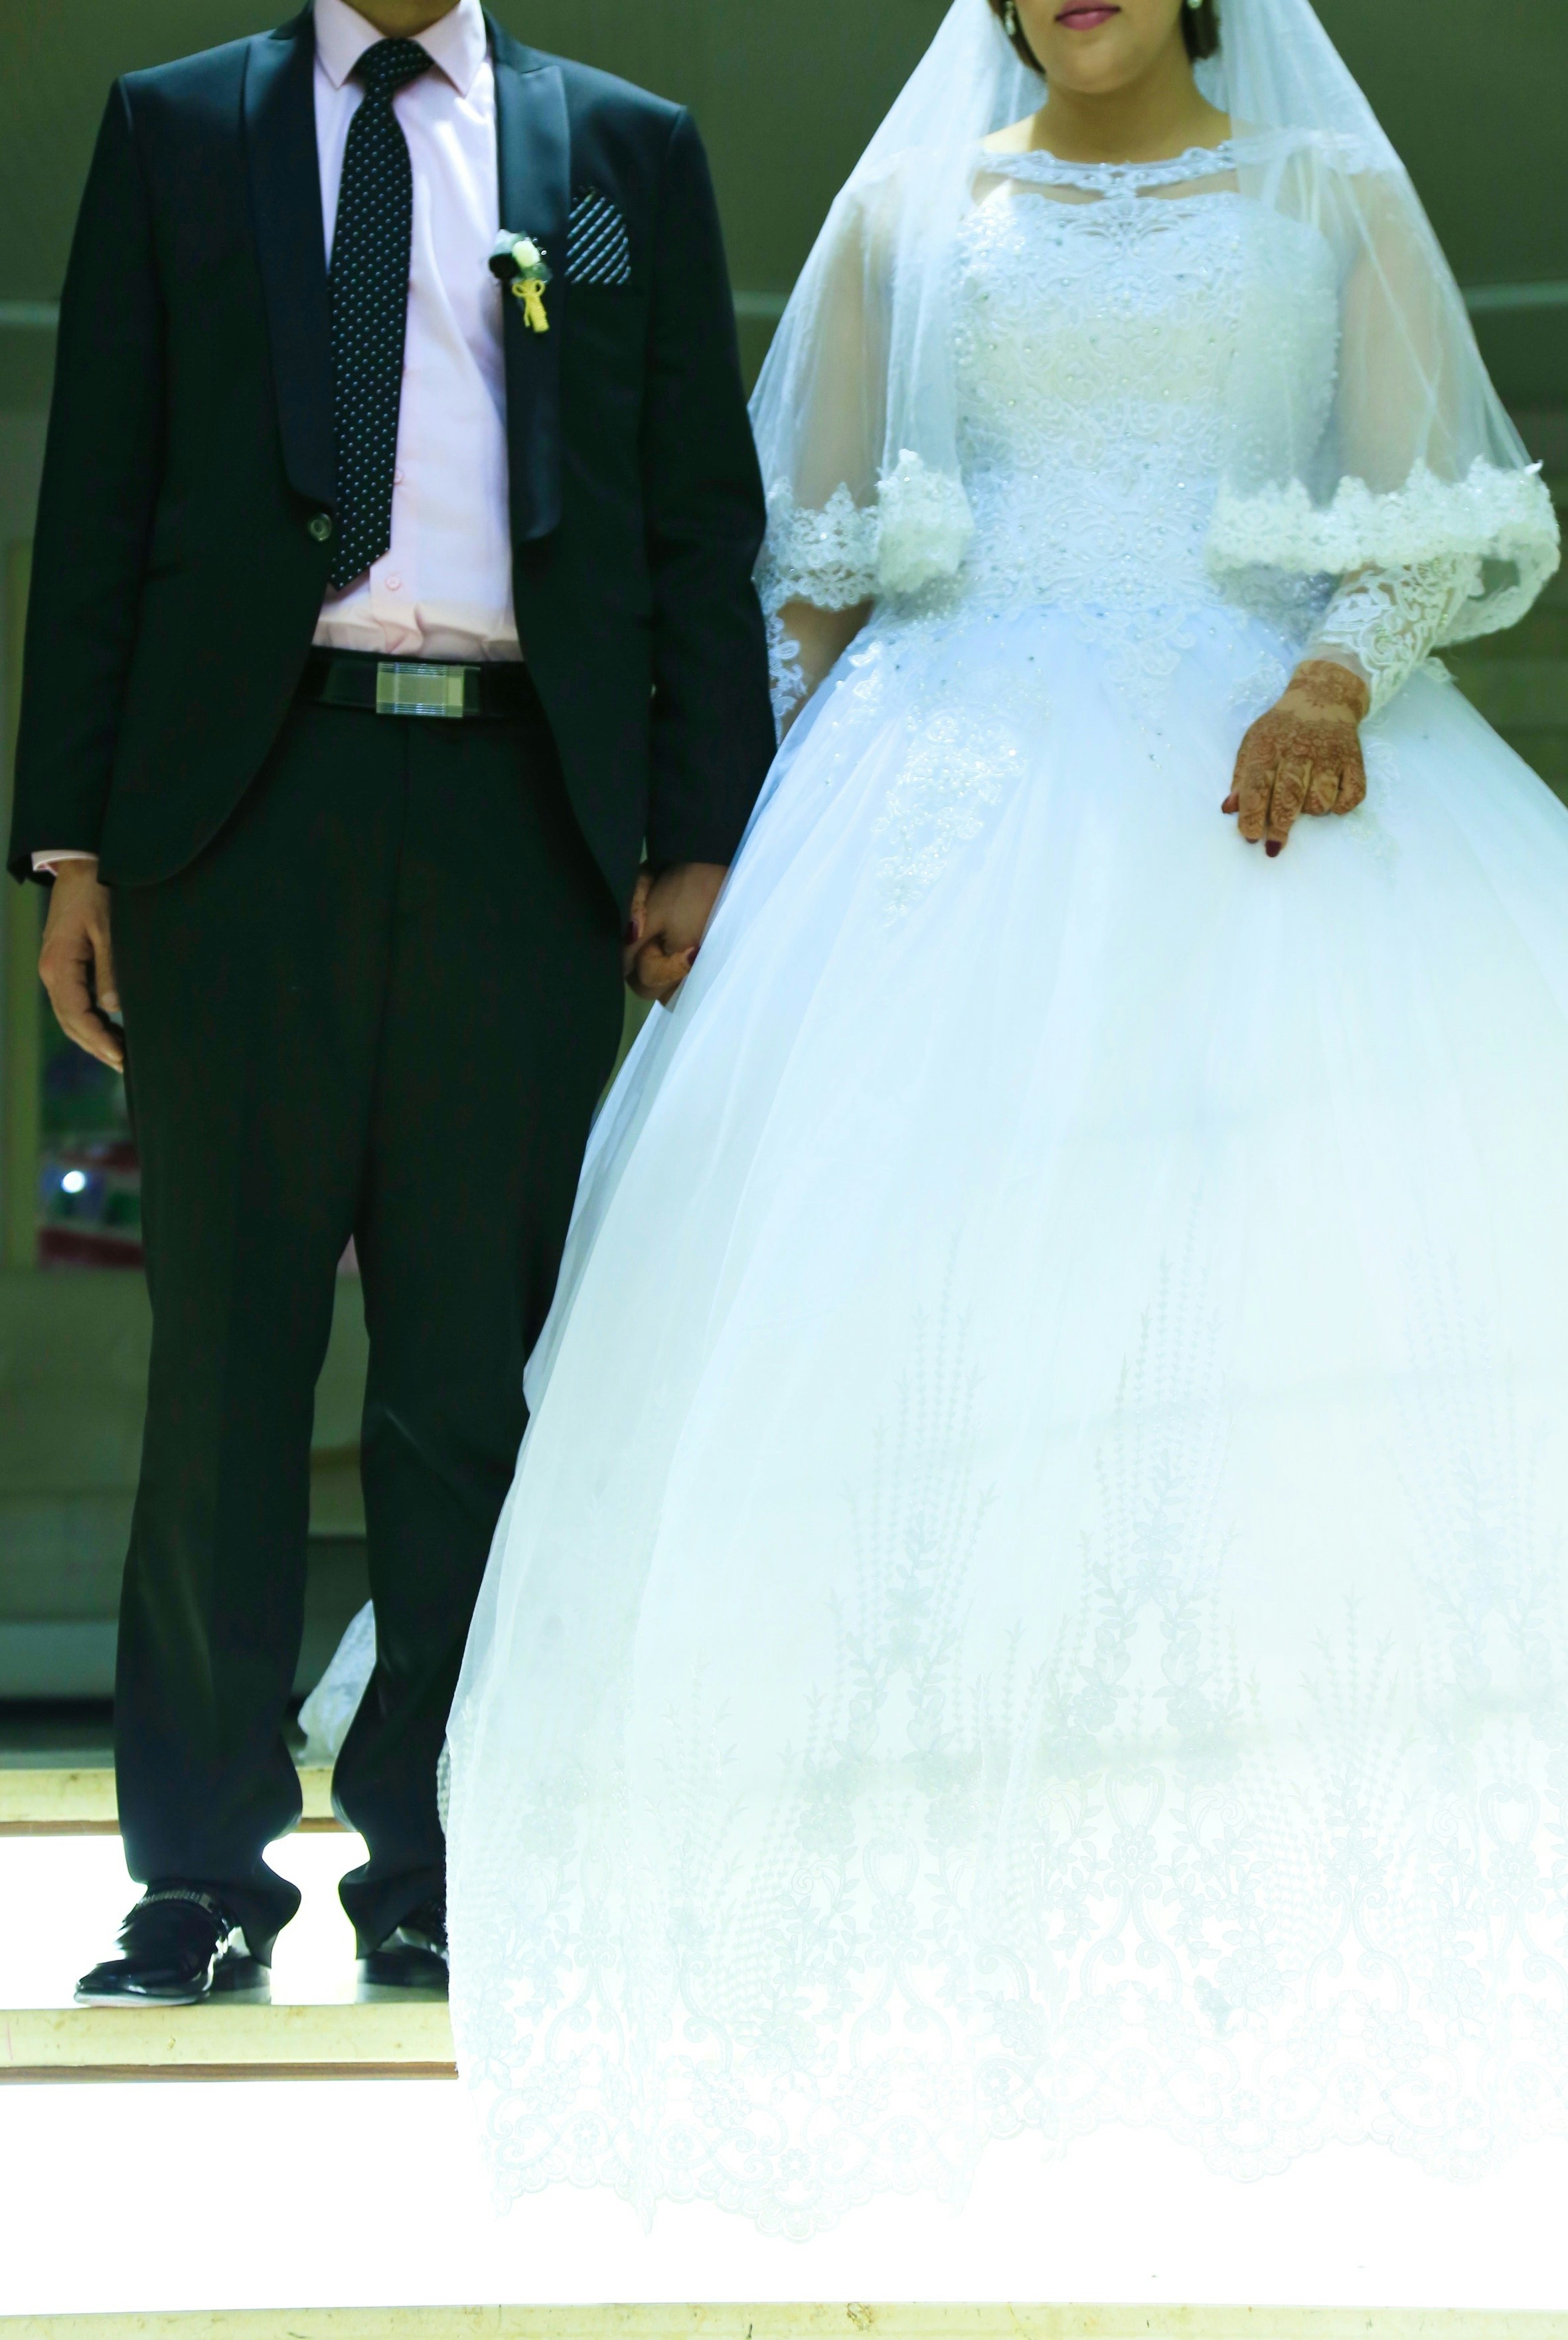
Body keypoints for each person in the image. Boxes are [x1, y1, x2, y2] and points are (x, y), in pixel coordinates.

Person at [439, 0, 1568, 2234]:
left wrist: (1334, 671)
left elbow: (1415, 505)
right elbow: (810, 566)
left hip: (1259, 769)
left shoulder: (1319, 193)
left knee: (1271, 1367)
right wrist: (726, 852)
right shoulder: (908, 215)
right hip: (936, 804)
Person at [7, 0, 775, 2006]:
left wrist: (699, 823)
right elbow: (99, 486)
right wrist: (72, 843)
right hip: (237, 816)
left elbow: (696, 502)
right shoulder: (176, 128)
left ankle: (436, 1859)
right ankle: (193, 1875)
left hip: (527, 811)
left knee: (466, 1377)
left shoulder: (623, 151)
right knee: (222, 1371)